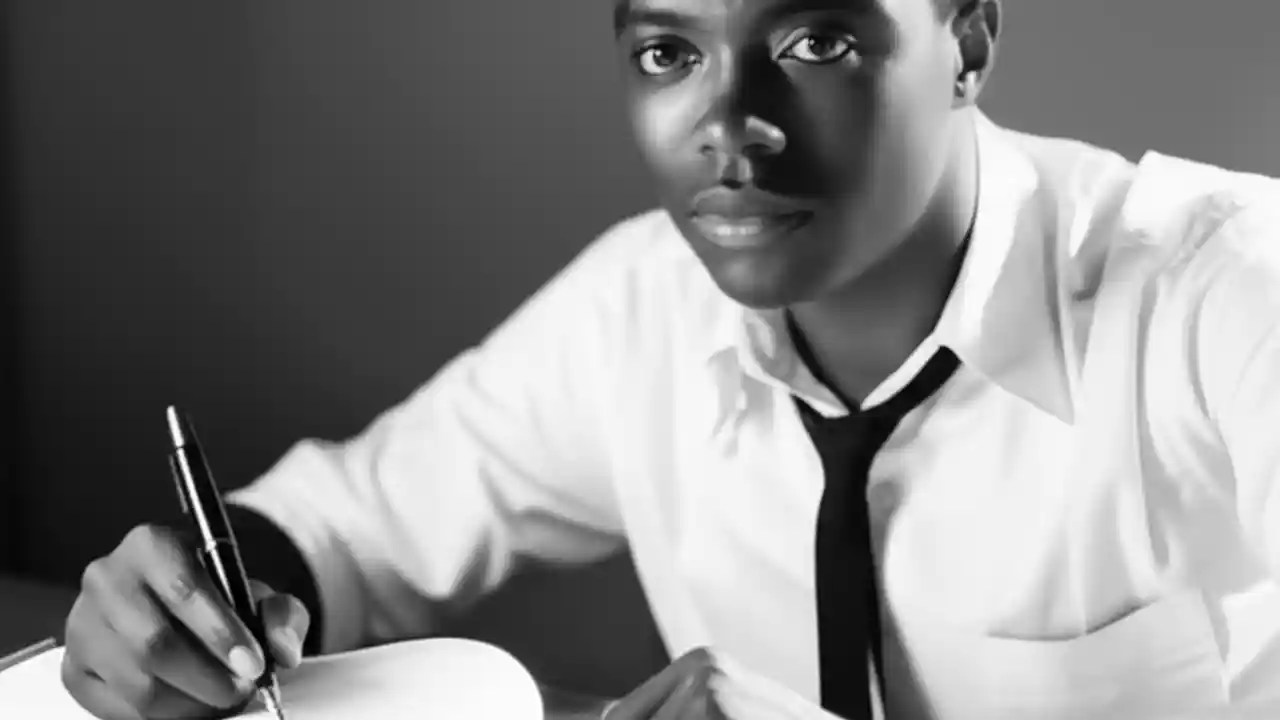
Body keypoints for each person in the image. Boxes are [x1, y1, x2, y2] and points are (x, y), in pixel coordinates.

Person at [59, 0, 1280, 717]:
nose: (725, 129)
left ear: (963, 38)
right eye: (666, 52)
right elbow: (347, 531)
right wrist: (183, 604)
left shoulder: (1227, 289)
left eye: (811, 41)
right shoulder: (639, 305)